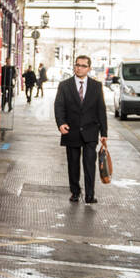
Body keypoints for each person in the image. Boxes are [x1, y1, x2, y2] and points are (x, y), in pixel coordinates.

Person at [53, 54, 108, 204]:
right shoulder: (65, 85)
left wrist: (104, 133)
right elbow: (59, 106)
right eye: (77, 65)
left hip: (91, 132)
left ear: (89, 68)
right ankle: (75, 192)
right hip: (71, 131)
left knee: (90, 164)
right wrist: (61, 123)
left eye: (83, 66)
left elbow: (101, 110)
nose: (79, 68)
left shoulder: (96, 86)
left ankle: (90, 194)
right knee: (73, 164)